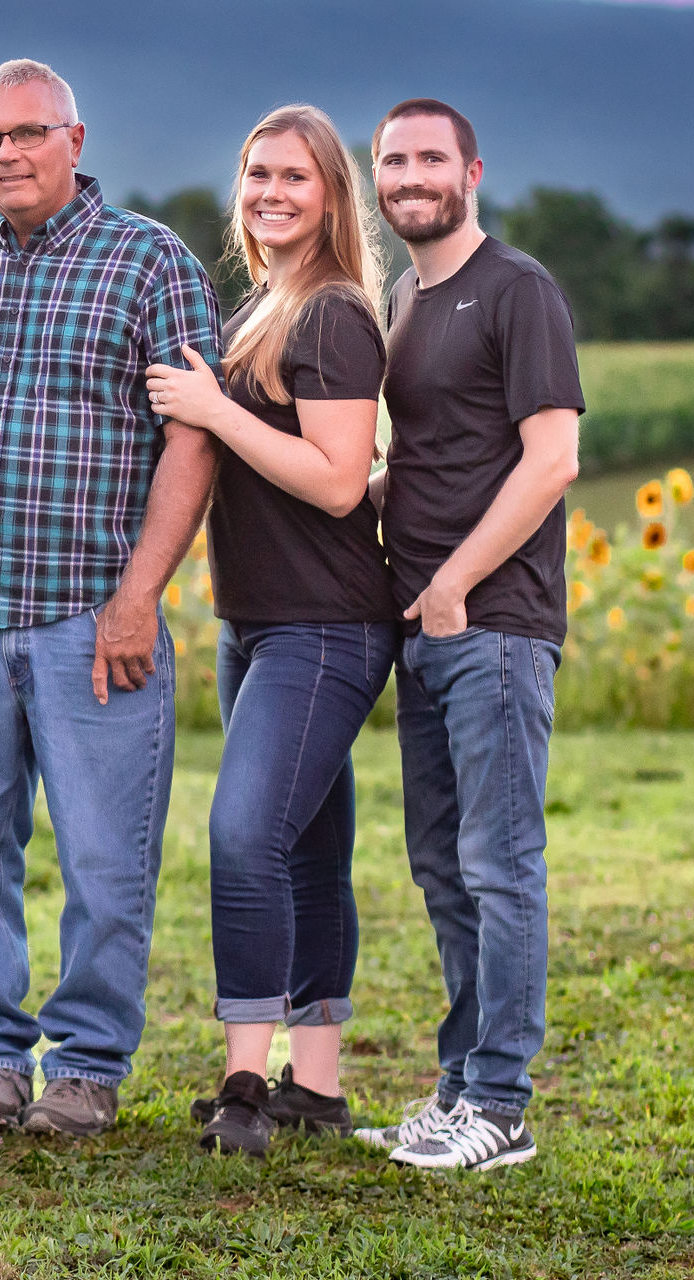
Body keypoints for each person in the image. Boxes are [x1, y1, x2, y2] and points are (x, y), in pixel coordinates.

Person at [0, 59, 220, 1136]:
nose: (6, 153)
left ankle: (87, 1062)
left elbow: (194, 437)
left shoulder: (151, 262)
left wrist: (141, 594)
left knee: (104, 852)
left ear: (75, 139)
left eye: (26, 133)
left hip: (94, 616)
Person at [145, 106, 396, 1157]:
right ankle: (318, 1087)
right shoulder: (266, 303)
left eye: (295, 176)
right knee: (304, 849)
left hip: (324, 625)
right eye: (256, 173)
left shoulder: (331, 313)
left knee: (245, 836)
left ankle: (246, 1081)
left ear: (333, 195)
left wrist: (211, 408)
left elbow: (340, 483)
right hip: (257, 622)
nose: (270, 192)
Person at [356, 99, 583, 1170]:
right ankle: (457, 1088)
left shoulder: (516, 289)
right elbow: (441, 450)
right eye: (393, 160)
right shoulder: (405, 293)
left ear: (471, 170)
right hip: (425, 622)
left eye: (430, 158)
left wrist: (450, 582)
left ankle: (501, 1105)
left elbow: (551, 460)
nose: (410, 175)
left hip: (490, 622)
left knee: (499, 865)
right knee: (444, 869)